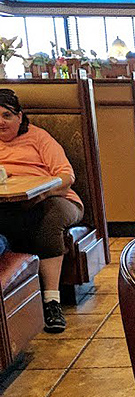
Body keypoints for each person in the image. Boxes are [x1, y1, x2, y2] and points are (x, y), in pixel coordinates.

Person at [0, 89, 83, 333]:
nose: (1, 122)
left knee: (48, 219)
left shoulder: (39, 137)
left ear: (20, 117)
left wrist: (45, 190)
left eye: (7, 115)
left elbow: (66, 176)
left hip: (57, 199)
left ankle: (51, 301)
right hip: (9, 204)